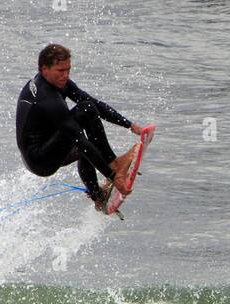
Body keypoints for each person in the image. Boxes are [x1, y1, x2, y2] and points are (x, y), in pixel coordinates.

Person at [15, 43, 147, 210]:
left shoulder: (57, 82)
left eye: (68, 70)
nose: (65, 75)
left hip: (46, 147)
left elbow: (94, 103)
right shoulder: (47, 99)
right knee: (85, 119)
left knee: (88, 114)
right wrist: (114, 177)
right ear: (44, 69)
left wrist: (130, 125)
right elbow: (81, 140)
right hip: (40, 159)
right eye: (60, 71)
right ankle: (114, 165)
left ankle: (98, 197)